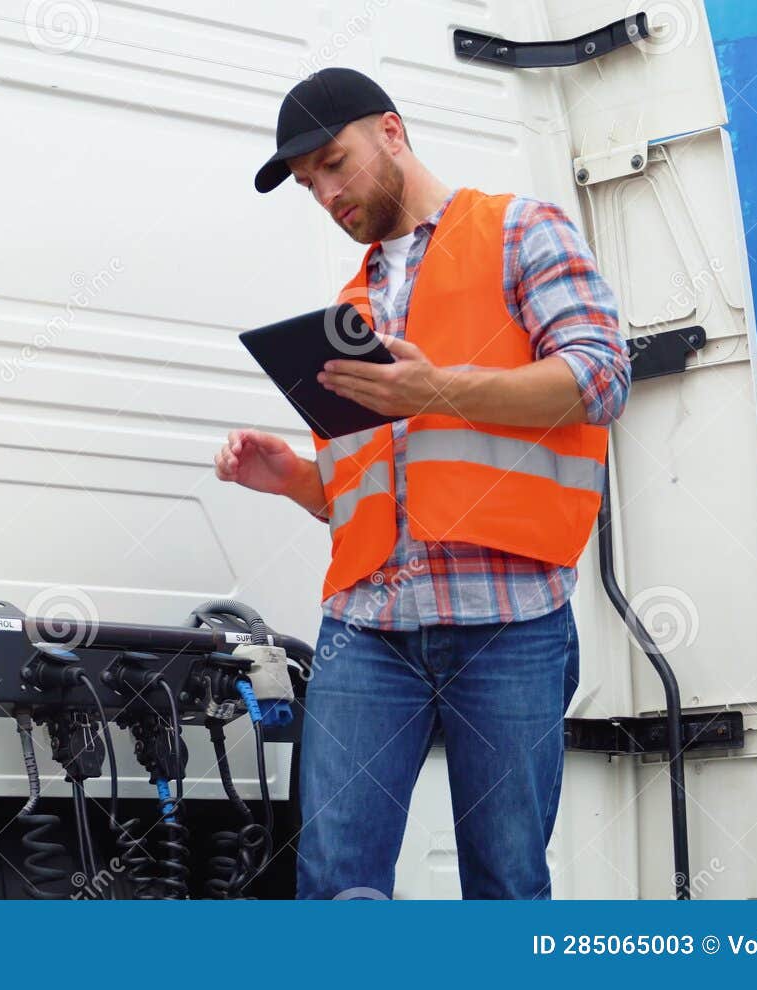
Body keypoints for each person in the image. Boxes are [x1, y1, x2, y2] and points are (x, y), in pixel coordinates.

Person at [214, 68, 630, 899]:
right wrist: (294, 477)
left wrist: (437, 389)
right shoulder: (349, 302)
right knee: (335, 882)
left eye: (335, 164)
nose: (326, 193)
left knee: (505, 883)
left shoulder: (521, 231)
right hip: (368, 628)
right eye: (308, 184)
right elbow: (367, 497)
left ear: (393, 133)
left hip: (506, 622)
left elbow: (601, 376)